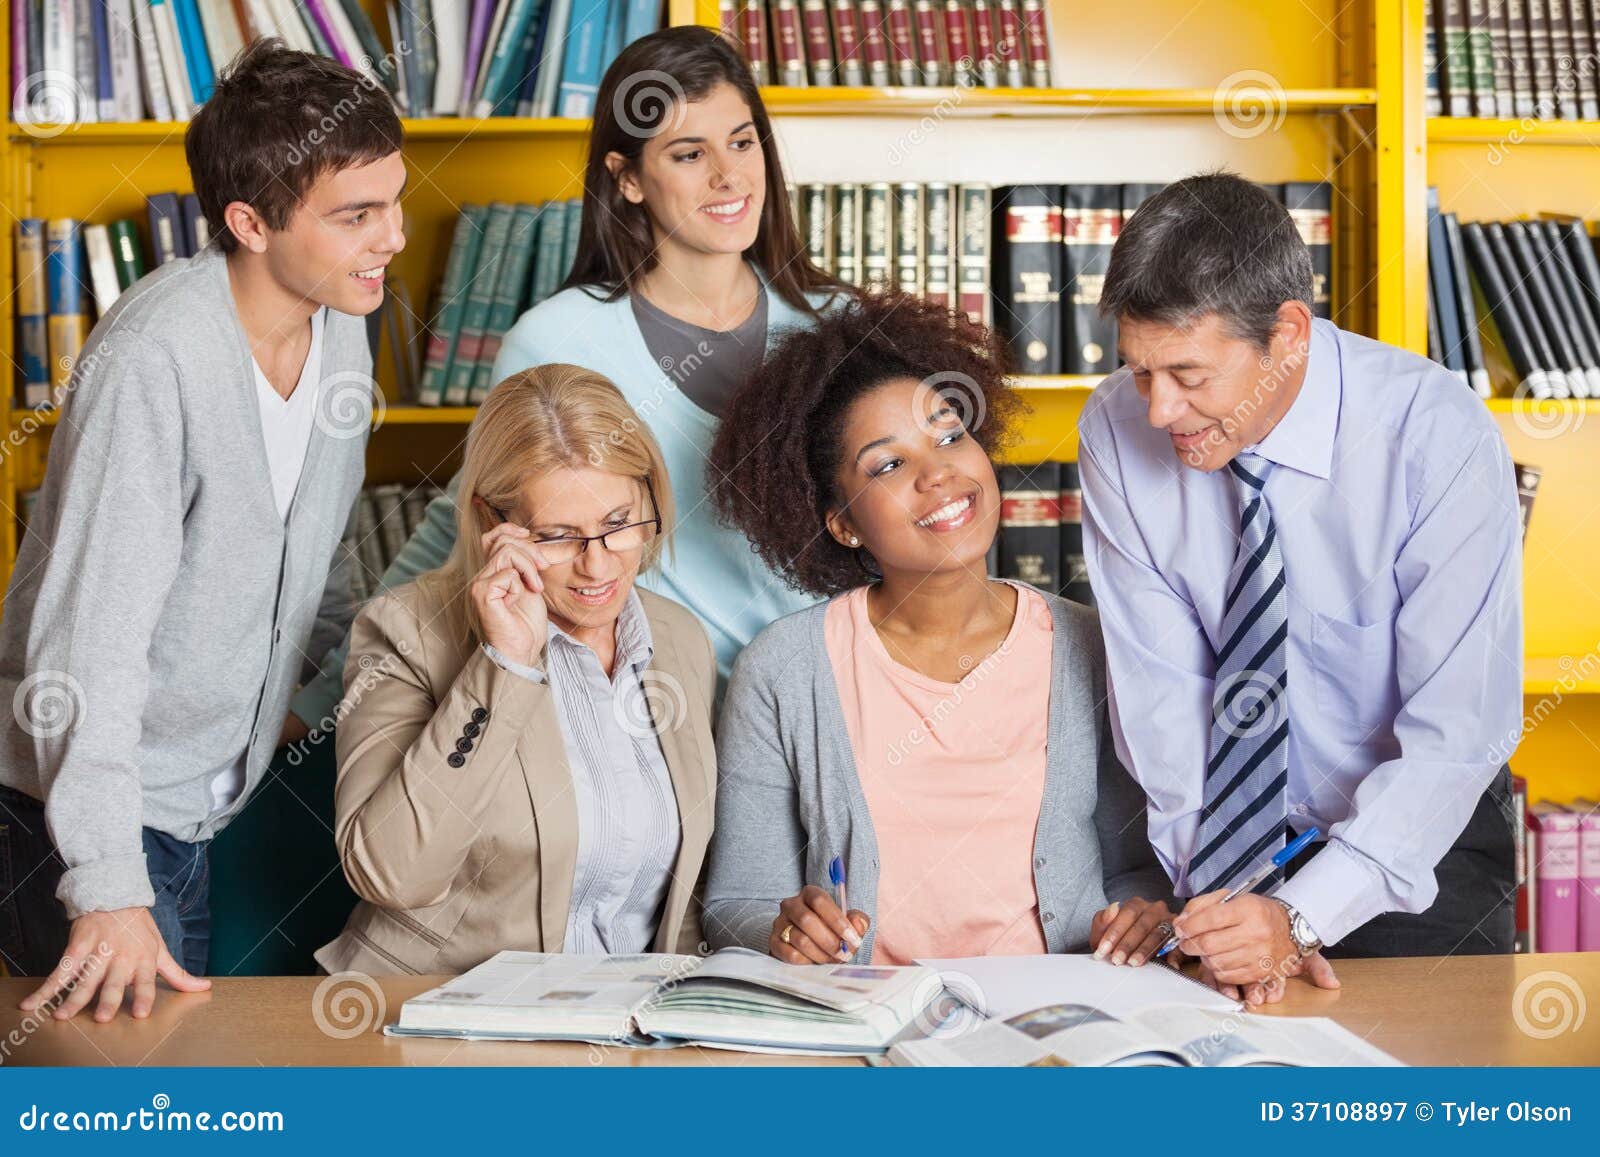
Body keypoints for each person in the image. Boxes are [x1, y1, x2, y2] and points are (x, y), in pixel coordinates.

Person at [284, 25, 848, 742]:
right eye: (688, 153)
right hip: (645, 734)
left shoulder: (839, 328)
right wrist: (323, 701)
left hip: (820, 721)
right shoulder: (557, 341)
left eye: (742, 142)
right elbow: (464, 531)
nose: (729, 176)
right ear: (629, 177)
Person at [0, 41, 405, 1018]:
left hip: (189, 802)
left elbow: (322, 554)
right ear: (249, 221)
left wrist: (307, 693)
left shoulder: (340, 318)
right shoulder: (154, 364)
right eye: (356, 215)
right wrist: (105, 884)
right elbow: (85, 644)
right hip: (75, 813)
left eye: (392, 199)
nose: (390, 235)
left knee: (164, 1090)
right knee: (114, 1107)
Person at [1079, 172, 1522, 1004]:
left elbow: (1454, 733)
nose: (1160, 410)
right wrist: (1225, 911)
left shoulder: (1435, 435)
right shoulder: (1113, 429)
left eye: (1187, 372)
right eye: (1139, 371)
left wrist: (1304, 913)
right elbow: (1163, 699)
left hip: (1417, 838)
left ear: (1288, 334)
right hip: (1220, 842)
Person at [701, 293, 1173, 966]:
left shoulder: (1089, 646)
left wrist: (1139, 917)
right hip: (868, 1040)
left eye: (950, 435)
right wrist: (782, 932)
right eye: (888, 465)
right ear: (840, 521)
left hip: (1050, 1028)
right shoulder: (783, 669)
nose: (939, 474)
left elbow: (1135, 870)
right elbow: (737, 900)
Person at [316, 366, 717, 975]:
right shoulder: (405, 632)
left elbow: (679, 897)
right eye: (557, 536)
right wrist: (504, 664)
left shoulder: (679, 638)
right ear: (490, 523)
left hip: (623, 1028)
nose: (596, 566)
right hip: (440, 1018)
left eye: (618, 525)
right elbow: (392, 875)